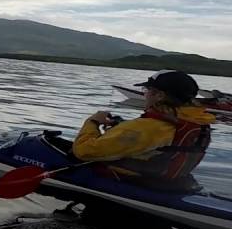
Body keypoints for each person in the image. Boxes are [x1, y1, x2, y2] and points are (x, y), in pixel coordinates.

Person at [73, 70, 214, 192]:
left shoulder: (149, 127)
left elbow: (83, 151)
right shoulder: (198, 122)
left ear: (159, 95)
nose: (145, 95)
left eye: (147, 91)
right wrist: (120, 126)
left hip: (132, 181)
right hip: (170, 183)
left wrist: (93, 122)